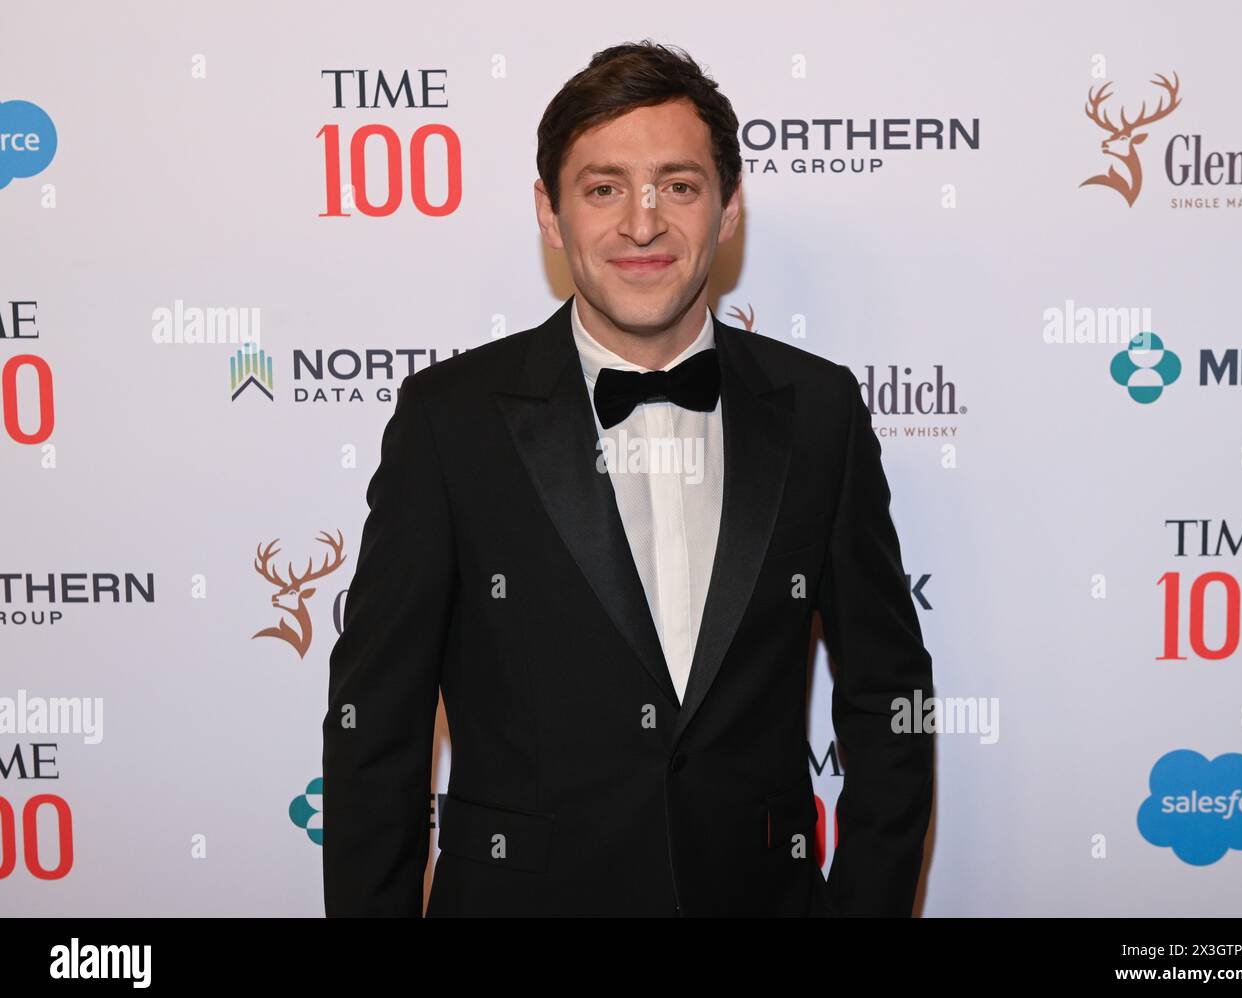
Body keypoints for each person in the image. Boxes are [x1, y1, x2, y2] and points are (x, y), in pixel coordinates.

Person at [322, 39, 934, 917]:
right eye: (603, 188)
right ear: (550, 211)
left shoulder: (820, 411)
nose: (641, 224)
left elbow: (889, 696)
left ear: (727, 211)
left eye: (678, 186)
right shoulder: (447, 420)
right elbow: (376, 727)